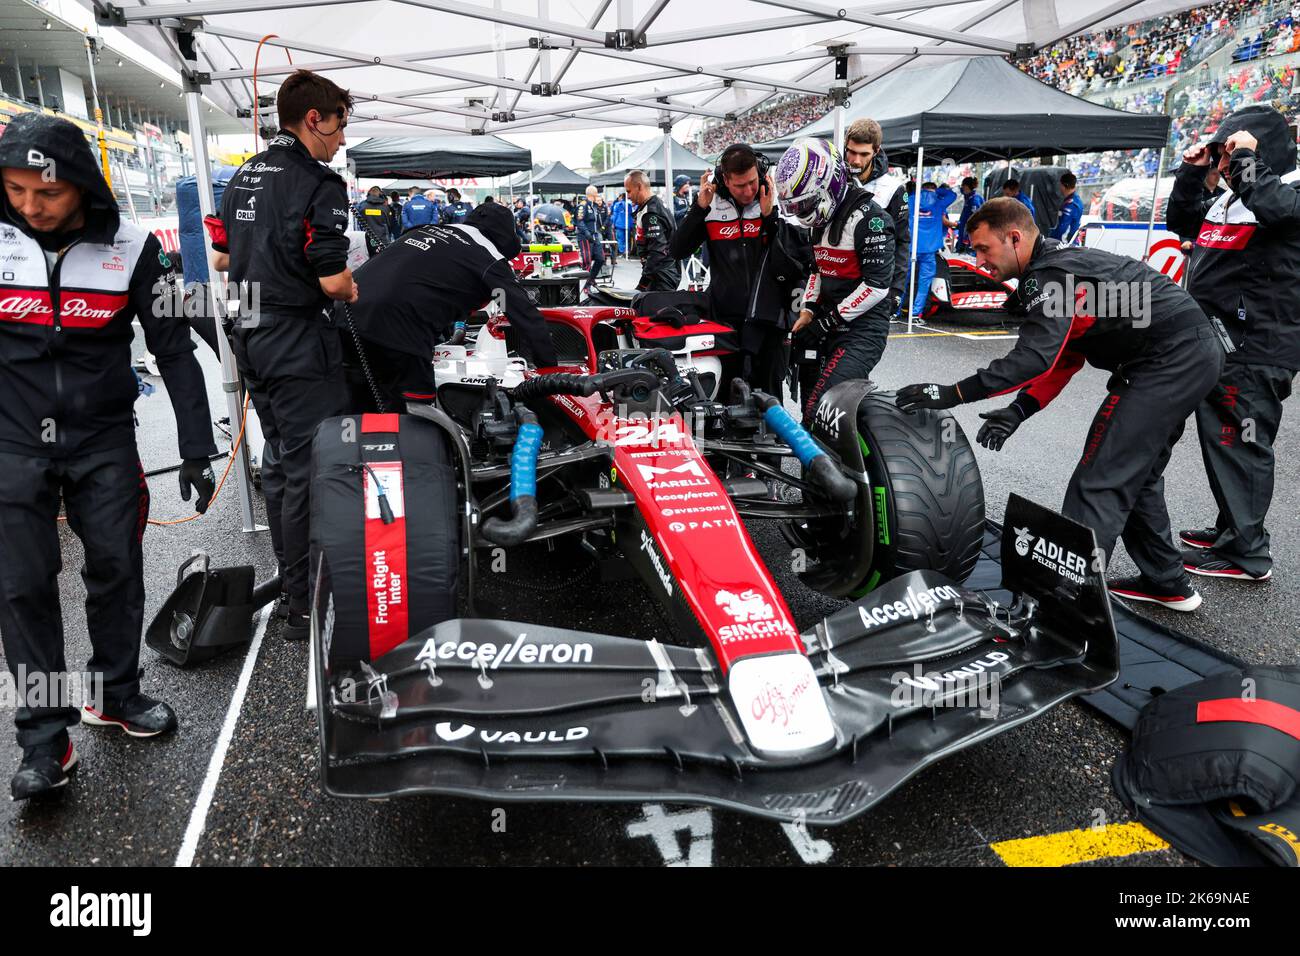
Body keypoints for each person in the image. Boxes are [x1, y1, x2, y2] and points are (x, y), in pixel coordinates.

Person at [0, 112, 217, 799]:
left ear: (84, 189)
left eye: (47, 193)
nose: (29, 206)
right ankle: (44, 739)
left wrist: (194, 447)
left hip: (103, 439)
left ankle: (115, 694)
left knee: (117, 568)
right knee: (22, 587)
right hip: (11, 439)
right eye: (14, 190)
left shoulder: (134, 246)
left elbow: (175, 348)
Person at [895, 197, 1225, 612]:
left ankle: (1065, 609)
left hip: (1171, 359)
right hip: (1185, 354)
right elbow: (1064, 357)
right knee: (1134, 473)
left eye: (983, 249)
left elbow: (1033, 358)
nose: (979, 258)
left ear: (1014, 237)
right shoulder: (1057, 267)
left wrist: (952, 393)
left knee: (1100, 478)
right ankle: (1168, 583)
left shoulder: (1050, 276)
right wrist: (1019, 410)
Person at [208, 68, 358, 641]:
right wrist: (349, 285)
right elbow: (331, 280)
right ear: (314, 119)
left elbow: (221, 259)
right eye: (339, 127)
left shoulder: (242, 174)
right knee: (307, 468)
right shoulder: (319, 182)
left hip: (247, 329)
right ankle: (304, 606)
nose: (341, 140)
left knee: (279, 463)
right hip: (293, 334)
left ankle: (294, 584)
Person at [1166, 104, 1300, 582]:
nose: (1224, 165)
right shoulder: (1234, 195)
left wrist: (1245, 159)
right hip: (1221, 342)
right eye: (1222, 156)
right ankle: (1233, 529)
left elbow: (1279, 211)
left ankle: (1247, 552)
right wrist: (1192, 171)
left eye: (1231, 154)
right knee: (1224, 440)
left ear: (1260, 150)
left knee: (1239, 440)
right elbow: (1181, 221)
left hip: (1258, 343)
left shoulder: (1284, 190)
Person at [343, 203, 558, 410]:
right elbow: (524, 317)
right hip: (399, 332)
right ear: (505, 237)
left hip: (343, 316)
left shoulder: (426, 230)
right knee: (417, 414)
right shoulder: (488, 256)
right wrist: (552, 376)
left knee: (359, 408)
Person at [775, 137, 896, 423]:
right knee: (809, 406)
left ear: (830, 185)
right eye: (796, 205)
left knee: (825, 408)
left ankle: (850, 465)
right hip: (826, 322)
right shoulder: (821, 222)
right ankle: (817, 467)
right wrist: (807, 311)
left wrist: (827, 321)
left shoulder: (871, 219)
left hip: (862, 329)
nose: (801, 212)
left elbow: (877, 287)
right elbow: (817, 271)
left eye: (805, 203)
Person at [671, 143, 803, 395]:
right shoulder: (710, 204)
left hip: (769, 318)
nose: (749, 190)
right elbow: (677, 251)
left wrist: (770, 216)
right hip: (725, 318)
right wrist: (699, 209)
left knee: (770, 397)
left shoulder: (773, 198)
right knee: (727, 395)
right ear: (724, 180)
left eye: (752, 182)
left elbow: (793, 259)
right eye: (740, 185)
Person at [842, 118, 910, 315]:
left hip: (872, 286)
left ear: (876, 151)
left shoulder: (892, 188)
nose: (855, 160)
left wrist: (896, 290)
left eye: (864, 154)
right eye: (851, 152)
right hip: (837, 280)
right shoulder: (834, 177)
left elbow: (902, 241)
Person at [623, 169, 680, 291]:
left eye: (629, 191)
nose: (628, 196)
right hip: (661, 274)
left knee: (654, 309)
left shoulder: (651, 211)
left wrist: (643, 283)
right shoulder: (653, 205)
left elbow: (658, 251)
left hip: (661, 277)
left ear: (639, 187)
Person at [909, 180, 958, 320]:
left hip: (912, 247)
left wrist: (921, 191)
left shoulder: (912, 199)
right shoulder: (938, 201)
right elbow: (952, 194)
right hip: (929, 249)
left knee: (904, 280)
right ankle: (915, 313)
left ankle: (896, 311)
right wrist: (936, 192)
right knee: (924, 284)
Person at [574, 185, 604, 292]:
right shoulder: (583, 205)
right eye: (597, 193)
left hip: (595, 236)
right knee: (587, 261)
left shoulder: (594, 206)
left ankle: (590, 280)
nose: (598, 196)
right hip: (585, 237)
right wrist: (587, 234)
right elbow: (579, 221)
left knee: (600, 259)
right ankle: (585, 287)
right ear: (593, 194)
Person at [356, 185, 393, 255]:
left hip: (366, 239)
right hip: (382, 239)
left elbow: (359, 223)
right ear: (380, 194)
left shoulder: (362, 206)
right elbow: (389, 224)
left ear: (369, 193)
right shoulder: (385, 208)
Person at [1051, 171, 1084, 241]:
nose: (1060, 187)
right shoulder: (1076, 200)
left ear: (1064, 186)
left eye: (1060, 185)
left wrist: (1052, 240)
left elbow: (1064, 228)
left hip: (1065, 244)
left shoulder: (1071, 205)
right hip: (1070, 241)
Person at [955, 176, 984, 252]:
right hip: (964, 231)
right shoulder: (968, 197)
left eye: (963, 186)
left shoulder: (974, 199)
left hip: (969, 234)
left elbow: (976, 219)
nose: (962, 188)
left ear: (967, 186)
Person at [611, 191, 633, 256]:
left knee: (620, 239)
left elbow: (615, 215)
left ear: (621, 197)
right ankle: (626, 251)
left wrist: (613, 223)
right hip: (628, 224)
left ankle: (622, 252)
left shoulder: (617, 205)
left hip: (619, 224)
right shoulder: (629, 205)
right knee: (627, 239)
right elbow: (631, 214)